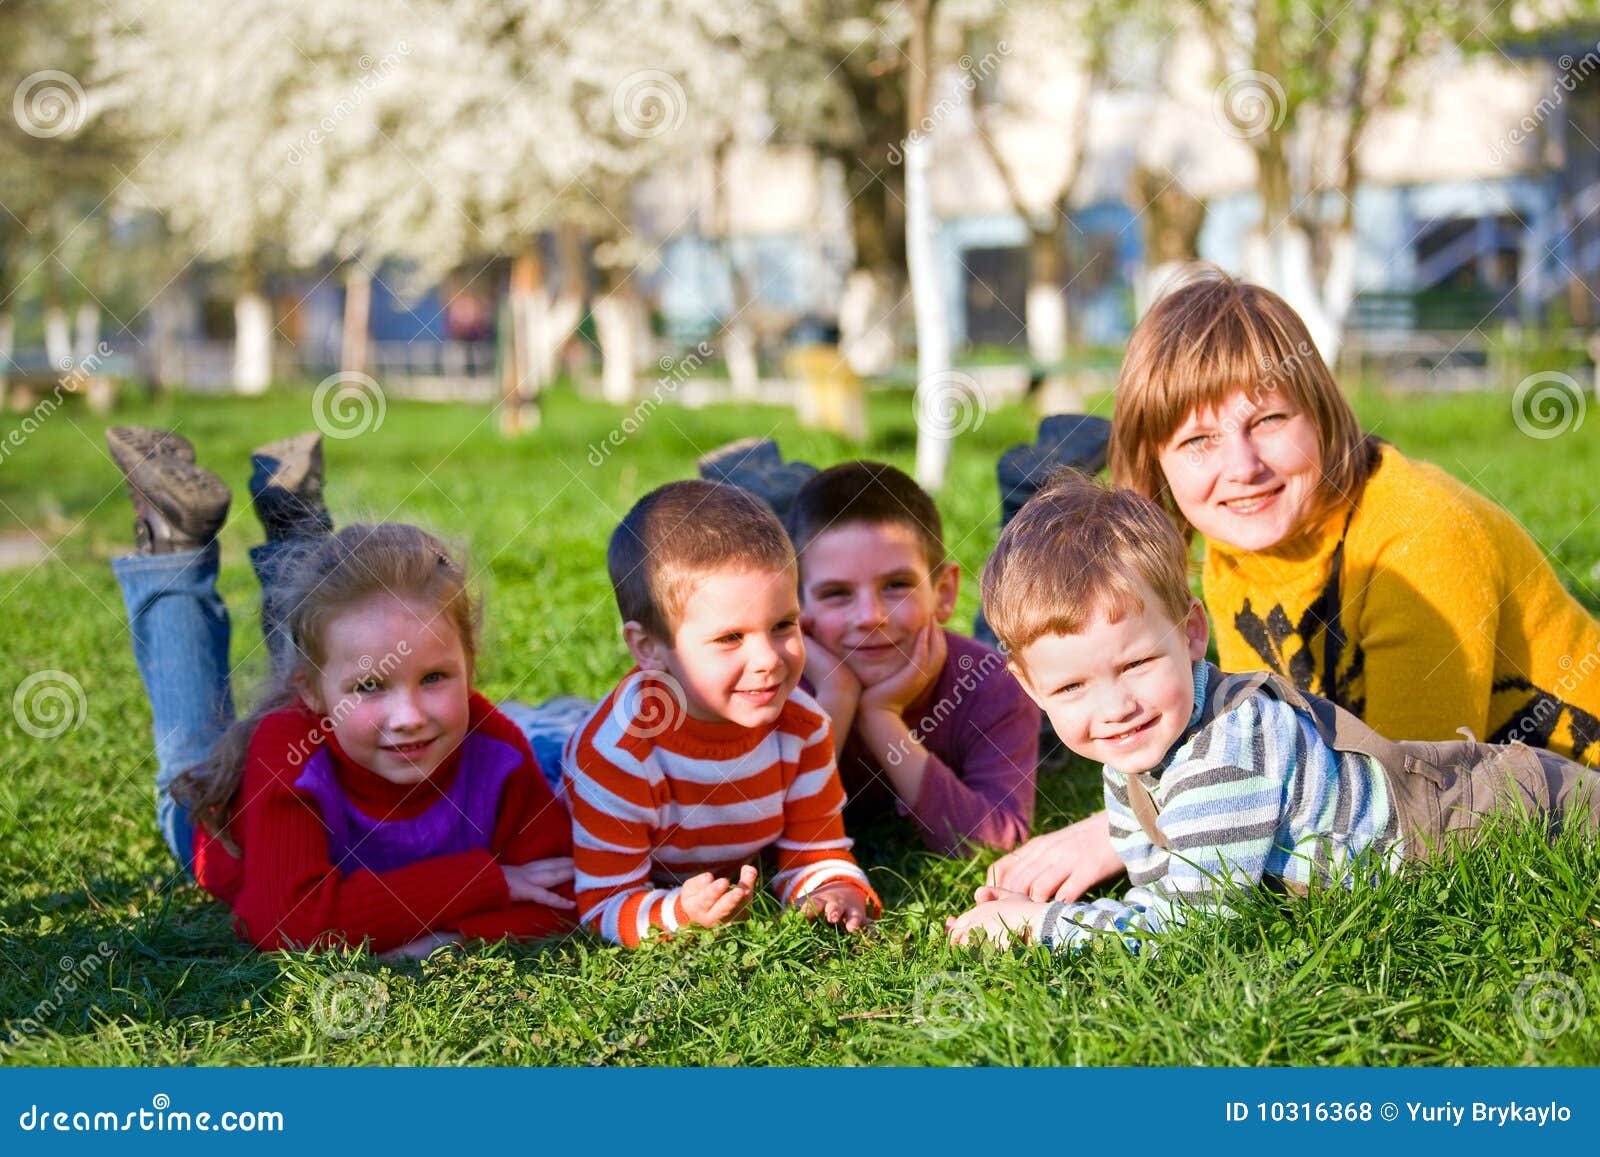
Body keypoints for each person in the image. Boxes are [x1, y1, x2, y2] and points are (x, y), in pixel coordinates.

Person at [989, 265, 1600, 905]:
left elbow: (1408, 785)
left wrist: (1111, 837)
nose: (1243, 468)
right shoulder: (1230, 551)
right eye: (1198, 439)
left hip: (1556, 799)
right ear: (1156, 462)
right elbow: (1267, 738)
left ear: (1322, 415)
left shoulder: (1417, 535)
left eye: (1270, 420)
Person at [947, 472, 1600, 951]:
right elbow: (1162, 874)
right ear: (1030, 688)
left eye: (1136, 664)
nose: (1115, 706)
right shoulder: (1140, 741)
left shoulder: (1226, 751)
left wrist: (1040, 927)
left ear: (1192, 633)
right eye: (1071, 689)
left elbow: (1190, 924)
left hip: (1497, 815)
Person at [108, 426, 575, 956]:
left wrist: (445, 939)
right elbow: (286, 923)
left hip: (323, 691)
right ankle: (174, 537)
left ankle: (295, 524)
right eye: (370, 687)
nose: (410, 716)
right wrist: (476, 885)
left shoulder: (493, 742)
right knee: (189, 754)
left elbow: (562, 894)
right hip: (217, 821)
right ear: (309, 694)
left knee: (326, 626)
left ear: (469, 665)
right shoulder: (286, 746)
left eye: (435, 677)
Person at [563, 479, 879, 947]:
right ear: (649, 647)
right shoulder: (615, 756)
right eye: (731, 637)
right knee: (546, 737)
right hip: (568, 772)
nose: (769, 659)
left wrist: (831, 890)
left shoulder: (803, 725)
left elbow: (815, 849)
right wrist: (681, 913)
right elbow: (606, 904)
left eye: (783, 625)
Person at [785, 461, 1039, 854]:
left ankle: (1029, 500)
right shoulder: (775, 685)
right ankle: (768, 495)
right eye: (836, 593)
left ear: (944, 593)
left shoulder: (995, 686)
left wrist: (880, 718)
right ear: (796, 607)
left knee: (1027, 638)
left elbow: (997, 840)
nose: (870, 616)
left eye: (897, 586)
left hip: (980, 665)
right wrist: (836, 696)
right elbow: (760, 839)